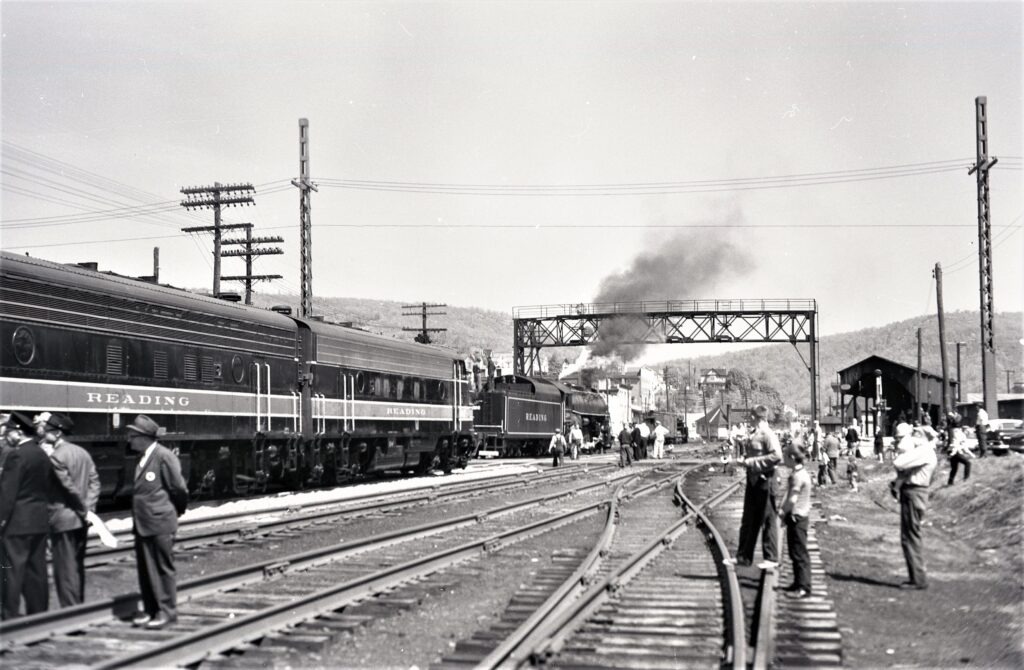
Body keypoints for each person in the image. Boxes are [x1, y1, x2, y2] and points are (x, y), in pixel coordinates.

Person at [128, 415, 189, 629]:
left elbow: (178, 488)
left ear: (144, 437)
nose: (129, 439)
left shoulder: (164, 457)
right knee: (146, 570)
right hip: (144, 522)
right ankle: (151, 610)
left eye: (133, 435)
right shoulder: (142, 457)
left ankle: (167, 613)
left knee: (162, 569)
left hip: (160, 521)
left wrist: (175, 511)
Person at [43, 412, 100, 608]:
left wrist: (83, 509)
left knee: (64, 570)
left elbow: (69, 488)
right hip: (81, 521)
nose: (45, 434)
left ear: (58, 433)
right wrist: (90, 509)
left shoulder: (56, 457)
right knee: (77, 566)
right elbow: (94, 482)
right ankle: (79, 606)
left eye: (48, 431)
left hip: (63, 519)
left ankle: (70, 614)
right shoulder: (82, 453)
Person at [0, 412, 53, 620]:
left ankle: (9, 615)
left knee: (11, 571)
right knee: (36, 570)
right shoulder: (41, 453)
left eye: (9, 432)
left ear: (18, 432)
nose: (6, 436)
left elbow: (7, 493)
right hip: (38, 521)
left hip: (17, 523)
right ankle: (38, 615)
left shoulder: (16, 455)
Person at [892, 419, 937, 590]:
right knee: (910, 535)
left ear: (925, 437)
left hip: (914, 492)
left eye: (917, 433)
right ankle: (916, 577)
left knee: (910, 536)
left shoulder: (924, 451)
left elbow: (899, 463)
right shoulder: (925, 452)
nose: (913, 436)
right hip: (915, 492)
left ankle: (918, 579)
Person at [735, 404, 782, 567]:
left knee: (768, 519)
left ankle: (771, 558)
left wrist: (750, 462)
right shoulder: (754, 433)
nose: (750, 419)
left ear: (757, 417)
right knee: (749, 518)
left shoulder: (767, 434)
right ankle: (743, 556)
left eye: (752, 417)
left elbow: (777, 455)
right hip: (753, 480)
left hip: (766, 480)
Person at [780, 443, 813, 599]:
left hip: (797, 517)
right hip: (799, 516)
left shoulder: (798, 477)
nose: (783, 459)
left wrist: (782, 513)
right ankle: (798, 582)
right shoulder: (799, 473)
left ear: (792, 458)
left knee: (799, 553)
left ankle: (804, 587)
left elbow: (792, 499)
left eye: (785, 456)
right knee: (795, 553)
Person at [946, 419, 973, 485]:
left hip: (950, 451)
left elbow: (963, 447)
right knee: (968, 463)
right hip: (954, 451)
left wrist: (972, 455)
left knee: (954, 468)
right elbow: (956, 444)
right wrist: (953, 454)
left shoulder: (952, 432)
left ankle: (950, 482)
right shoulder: (960, 434)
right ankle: (966, 479)